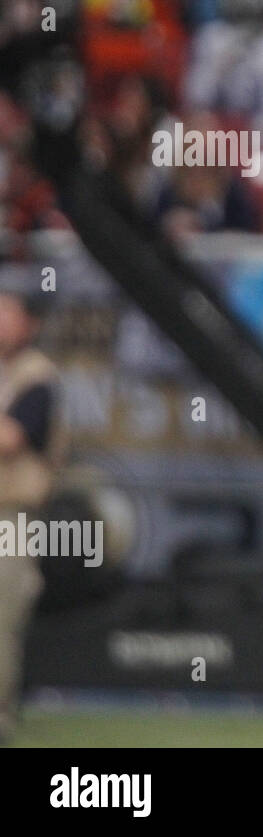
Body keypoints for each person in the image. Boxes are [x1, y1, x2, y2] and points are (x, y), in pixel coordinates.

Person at [0, 292, 63, 743]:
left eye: (7, 313)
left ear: (28, 324)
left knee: (2, 621)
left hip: (12, 515)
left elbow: (12, 438)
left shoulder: (36, 375)